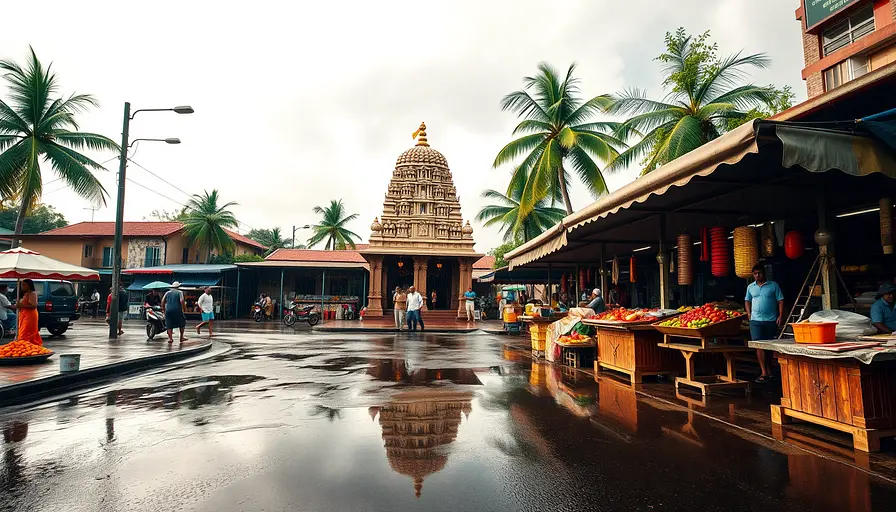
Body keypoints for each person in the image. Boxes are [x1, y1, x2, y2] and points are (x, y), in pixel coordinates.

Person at [745, 264, 784, 383]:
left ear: (764, 273)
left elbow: (780, 300)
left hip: (770, 320)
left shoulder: (773, 285)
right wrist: (749, 313)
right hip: (755, 321)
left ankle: (769, 370)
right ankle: (764, 372)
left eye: (759, 273)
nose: (757, 276)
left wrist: (780, 315)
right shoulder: (750, 287)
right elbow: (747, 300)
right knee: (758, 345)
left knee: (767, 346)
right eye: (755, 274)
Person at [15, 279, 42, 346]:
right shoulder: (25, 294)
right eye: (21, 284)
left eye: (24, 284)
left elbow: (34, 306)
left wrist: (21, 305)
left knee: (26, 333)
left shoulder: (32, 293)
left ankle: (26, 347)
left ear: (29, 285)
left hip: (30, 316)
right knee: (22, 331)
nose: (22, 286)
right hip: (23, 315)